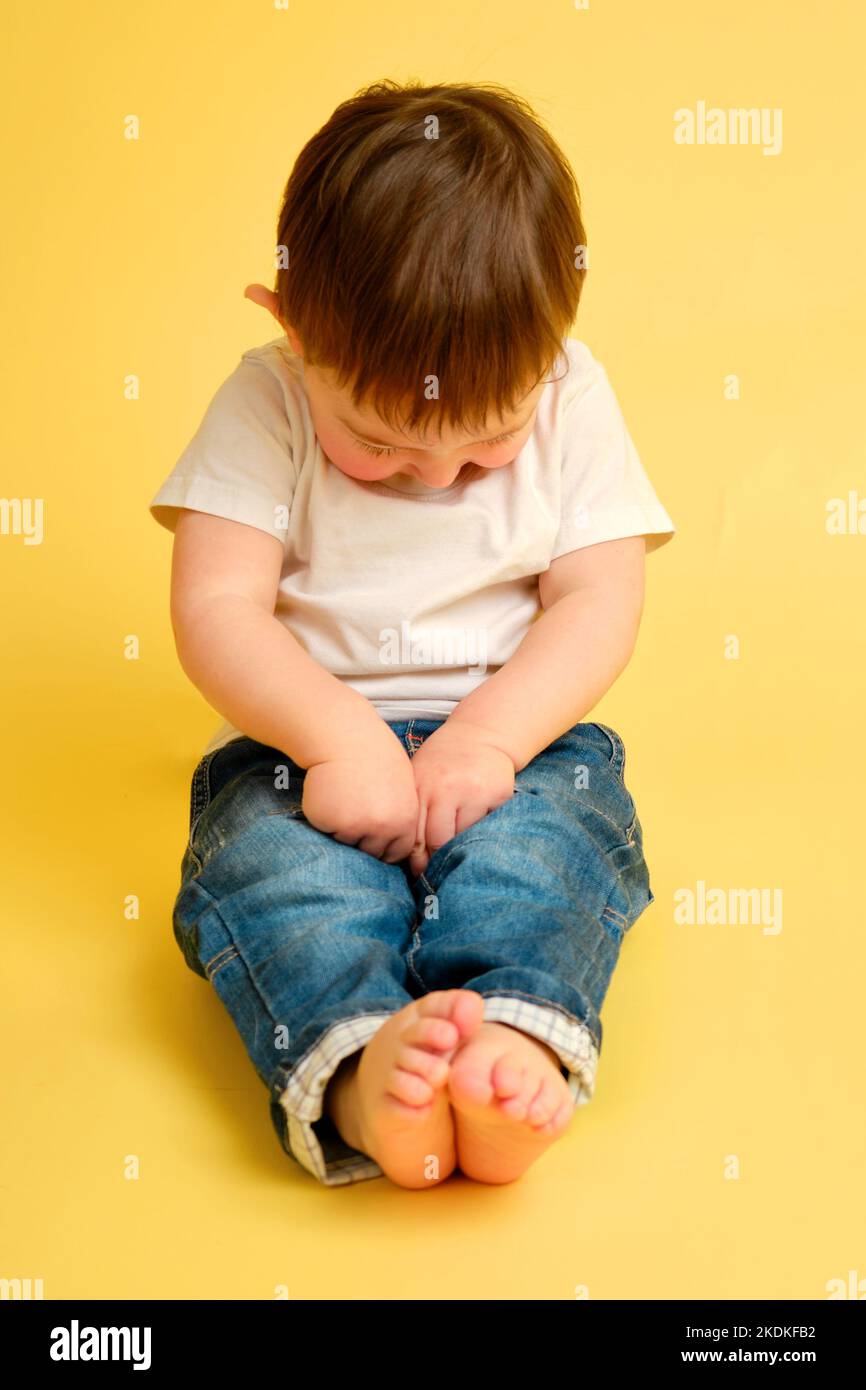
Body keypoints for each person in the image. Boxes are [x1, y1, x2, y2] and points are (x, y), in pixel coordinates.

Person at [149, 80, 676, 1189]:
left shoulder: (575, 397)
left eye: (488, 438)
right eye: (379, 442)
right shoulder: (264, 404)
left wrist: (487, 741)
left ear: (552, 343)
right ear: (292, 331)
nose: (437, 473)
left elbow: (596, 600)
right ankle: (358, 1068)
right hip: (301, 753)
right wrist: (336, 738)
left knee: (546, 858)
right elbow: (216, 608)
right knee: (276, 878)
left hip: (522, 747)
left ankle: (511, 1042)